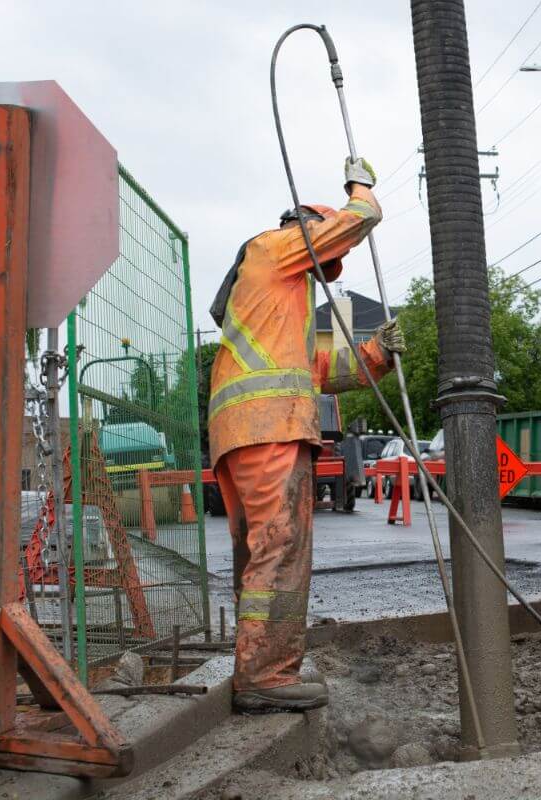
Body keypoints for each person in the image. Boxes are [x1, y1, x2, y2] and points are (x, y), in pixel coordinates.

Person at [207, 157, 405, 712]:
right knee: (281, 546)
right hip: (268, 429)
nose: (328, 270)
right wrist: (360, 184)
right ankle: (266, 677)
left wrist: (377, 354)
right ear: (306, 230)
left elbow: (320, 370)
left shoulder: (274, 301)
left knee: (261, 552)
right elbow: (362, 216)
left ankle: (258, 665)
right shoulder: (273, 248)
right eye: (327, 257)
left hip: (244, 432)